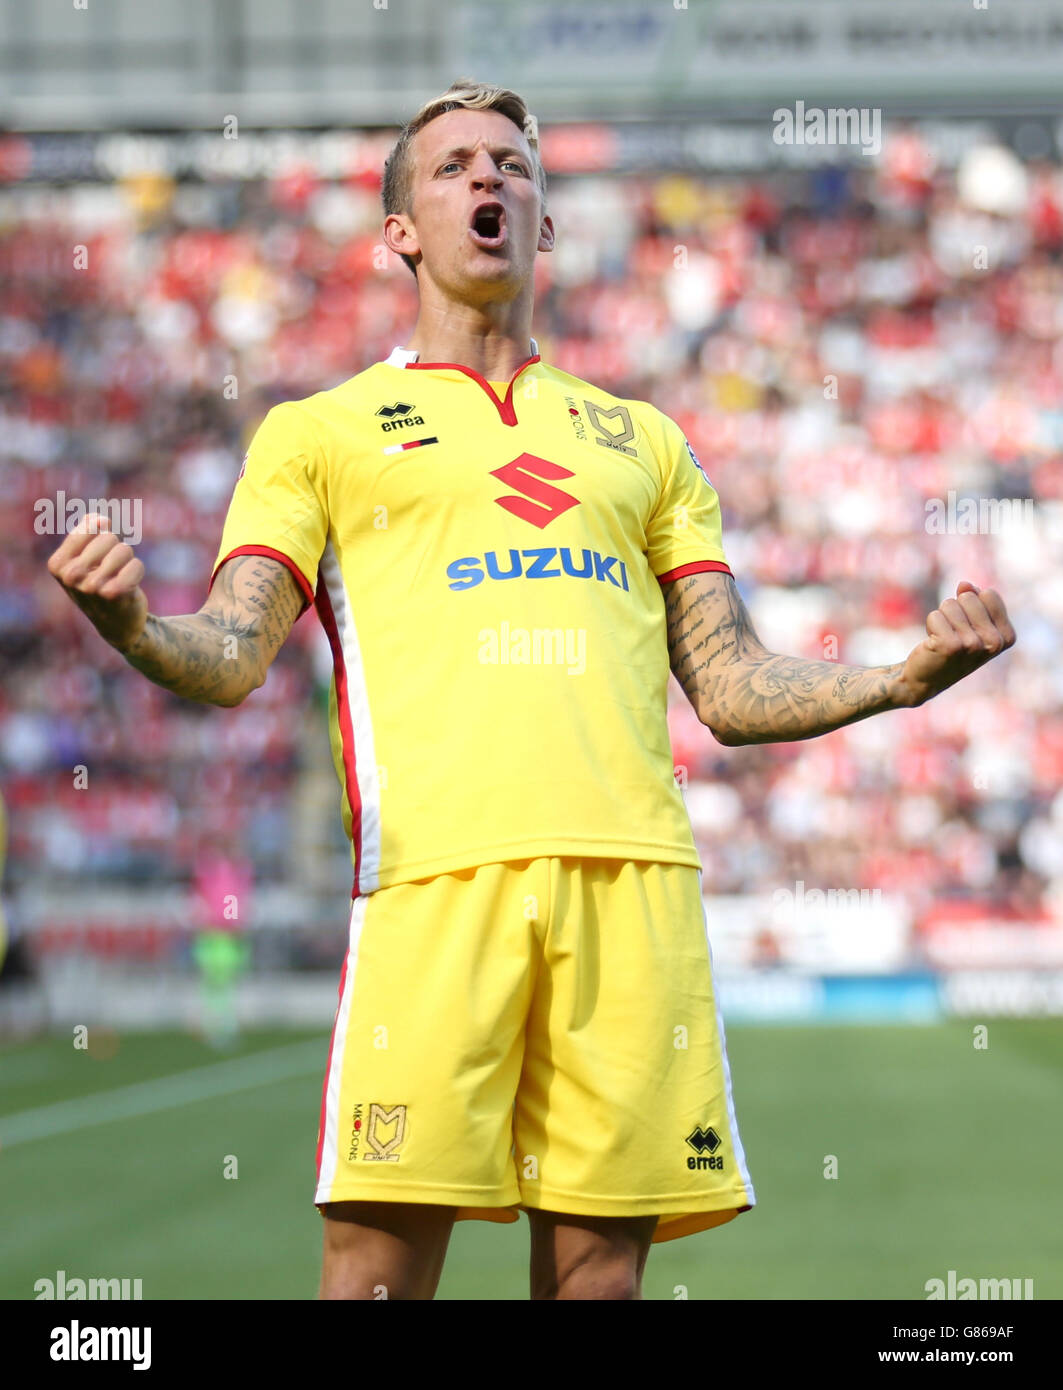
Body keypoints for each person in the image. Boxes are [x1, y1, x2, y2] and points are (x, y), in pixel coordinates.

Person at [46, 78, 1016, 1301]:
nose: (487, 180)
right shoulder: (320, 433)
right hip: (435, 888)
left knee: (596, 1290)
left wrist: (896, 678)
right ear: (400, 229)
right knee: (373, 1284)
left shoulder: (645, 440)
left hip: (632, 892)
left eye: (510, 163)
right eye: (451, 167)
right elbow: (232, 652)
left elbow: (725, 680)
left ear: (545, 219)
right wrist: (133, 623)